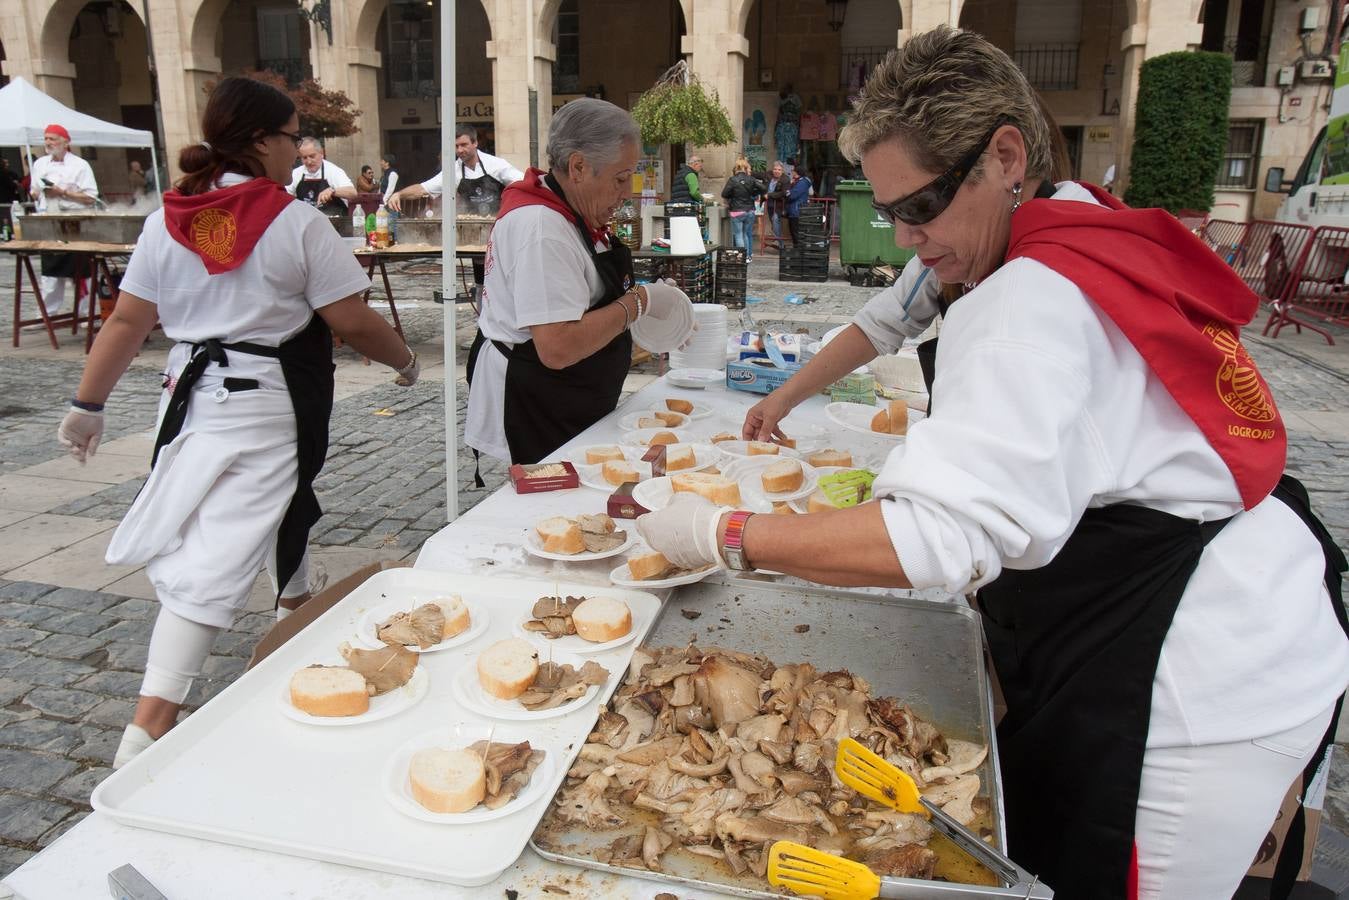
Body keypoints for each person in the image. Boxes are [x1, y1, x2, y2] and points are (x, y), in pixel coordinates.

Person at [636, 26, 1349, 900]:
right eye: (889, 209)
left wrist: (723, 531)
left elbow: (939, 538)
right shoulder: (1067, 216)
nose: (903, 239)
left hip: (1195, 670)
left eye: (921, 207)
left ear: (1005, 154)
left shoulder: (1027, 300)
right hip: (1220, 599)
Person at [55, 76, 420, 771]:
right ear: (259, 140)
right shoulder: (296, 221)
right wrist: (404, 360)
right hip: (263, 406)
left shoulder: (170, 217)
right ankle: (147, 727)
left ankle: (297, 620)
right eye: (291, 137)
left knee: (276, 510)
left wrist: (88, 403)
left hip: (191, 397)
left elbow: (131, 319)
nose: (298, 150)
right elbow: (350, 319)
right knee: (212, 561)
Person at [464, 98, 692, 465]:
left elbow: (586, 296)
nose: (627, 192)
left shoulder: (569, 211)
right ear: (579, 167)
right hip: (538, 405)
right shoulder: (542, 227)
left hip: (570, 397)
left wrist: (655, 315)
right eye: (621, 178)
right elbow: (558, 347)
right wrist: (640, 301)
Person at [30, 124, 99, 315]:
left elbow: (91, 197)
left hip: (74, 222)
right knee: (50, 270)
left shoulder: (80, 165)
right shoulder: (40, 164)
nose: (48, 143)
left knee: (82, 270)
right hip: (49, 221)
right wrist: (39, 192)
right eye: (46, 139)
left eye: (53, 138)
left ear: (65, 142)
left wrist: (63, 192)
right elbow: (34, 192)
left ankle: (87, 312)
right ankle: (47, 313)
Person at [286, 137, 356, 216]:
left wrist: (332, 191)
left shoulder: (333, 171)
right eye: (304, 158)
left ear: (321, 153)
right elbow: (285, 195)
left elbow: (353, 192)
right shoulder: (296, 173)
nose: (309, 161)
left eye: (312, 156)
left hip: (334, 222)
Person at [721, 156, 765, 261]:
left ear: (737, 167)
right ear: (746, 168)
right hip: (750, 210)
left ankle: (741, 257)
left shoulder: (733, 179)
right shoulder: (751, 179)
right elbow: (763, 188)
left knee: (738, 235)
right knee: (746, 233)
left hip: (737, 211)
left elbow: (724, 194)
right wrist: (753, 193)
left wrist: (733, 195)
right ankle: (748, 256)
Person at [763, 160, 788, 250]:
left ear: (782, 171)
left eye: (779, 169)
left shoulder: (785, 179)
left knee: (775, 220)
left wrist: (769, 195)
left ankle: (779, 243)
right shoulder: (769, 175)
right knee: (773, 223)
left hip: (779, 204)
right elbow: (758, 174)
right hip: (770, 204)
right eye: (775, 169)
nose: (776, 171)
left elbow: (783, 193)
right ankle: (778, 241)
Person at [784, 167, 812, 246]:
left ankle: (799, 250)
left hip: (796, 210)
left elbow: (792, 195)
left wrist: (788, 192)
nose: (792, 173)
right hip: (795, 210)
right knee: (794, 232)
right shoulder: (798, 182)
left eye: (793, 171)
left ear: (797, 172)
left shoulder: (802, 182)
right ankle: (798, 249)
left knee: (796, 232)